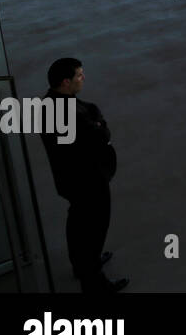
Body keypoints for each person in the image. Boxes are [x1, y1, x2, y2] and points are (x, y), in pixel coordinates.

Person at [39, 58, 128, 293]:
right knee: (94, 229)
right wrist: (100, 125)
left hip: (72, 180)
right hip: (88, 181)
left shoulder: (49, 104)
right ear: (65, 82)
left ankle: (82, 265)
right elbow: (100, 134)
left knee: (78, 223)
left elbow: (92, 118)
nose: (84, 78)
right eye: (79, 75)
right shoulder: (70, 113)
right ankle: (94, 281)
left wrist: (96, 120)